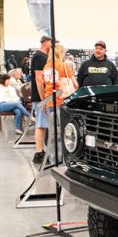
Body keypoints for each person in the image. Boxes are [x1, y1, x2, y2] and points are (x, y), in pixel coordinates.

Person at [30, 36, 52, 164]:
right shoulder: (39, 56)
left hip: (43, 96)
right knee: (40, 124)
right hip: (40, 96)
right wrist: (43, 99)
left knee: (43, 124)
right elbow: (39, 78)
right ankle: (38, 152)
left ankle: (41, 150)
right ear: (45, 42)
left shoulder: (44, 57)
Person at [41, 43, 78, 109]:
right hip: (62, 101)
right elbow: (75, 85)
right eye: (64, 53)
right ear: (60, 53)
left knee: (51, 119)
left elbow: (44, 84)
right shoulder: (64, 66)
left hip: (49, 100)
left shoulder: (46, 67)